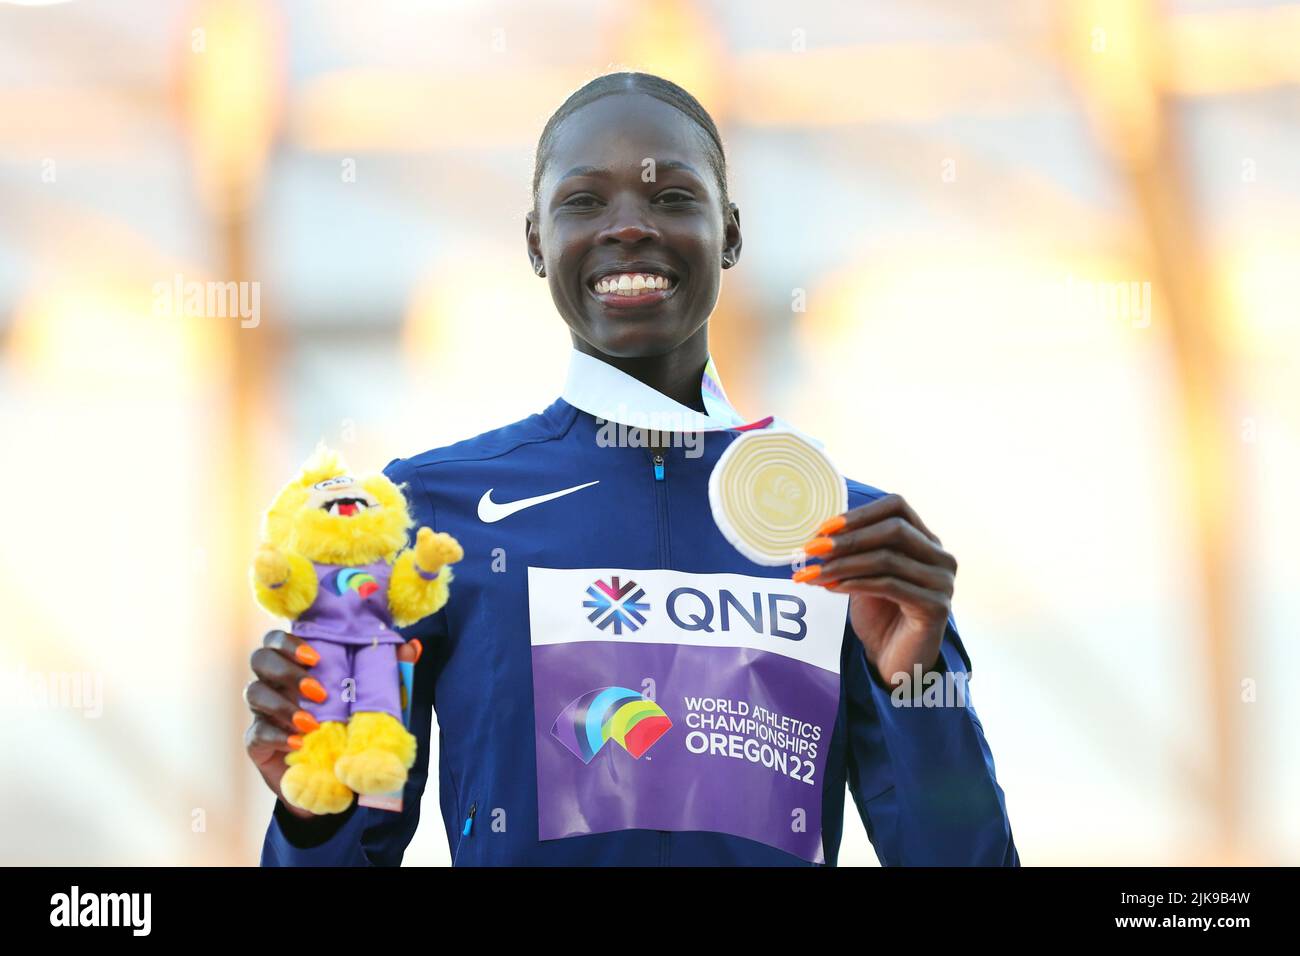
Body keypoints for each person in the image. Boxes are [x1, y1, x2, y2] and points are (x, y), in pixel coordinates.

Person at [246, 71, 1018, 866]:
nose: (629, 227)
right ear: (536, 242)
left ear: (730, 234)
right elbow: (347, 841)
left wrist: (919, 692)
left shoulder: (851, 542)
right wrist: (314, 814)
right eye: (583, 201)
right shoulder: (426, 515)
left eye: (674, 197)